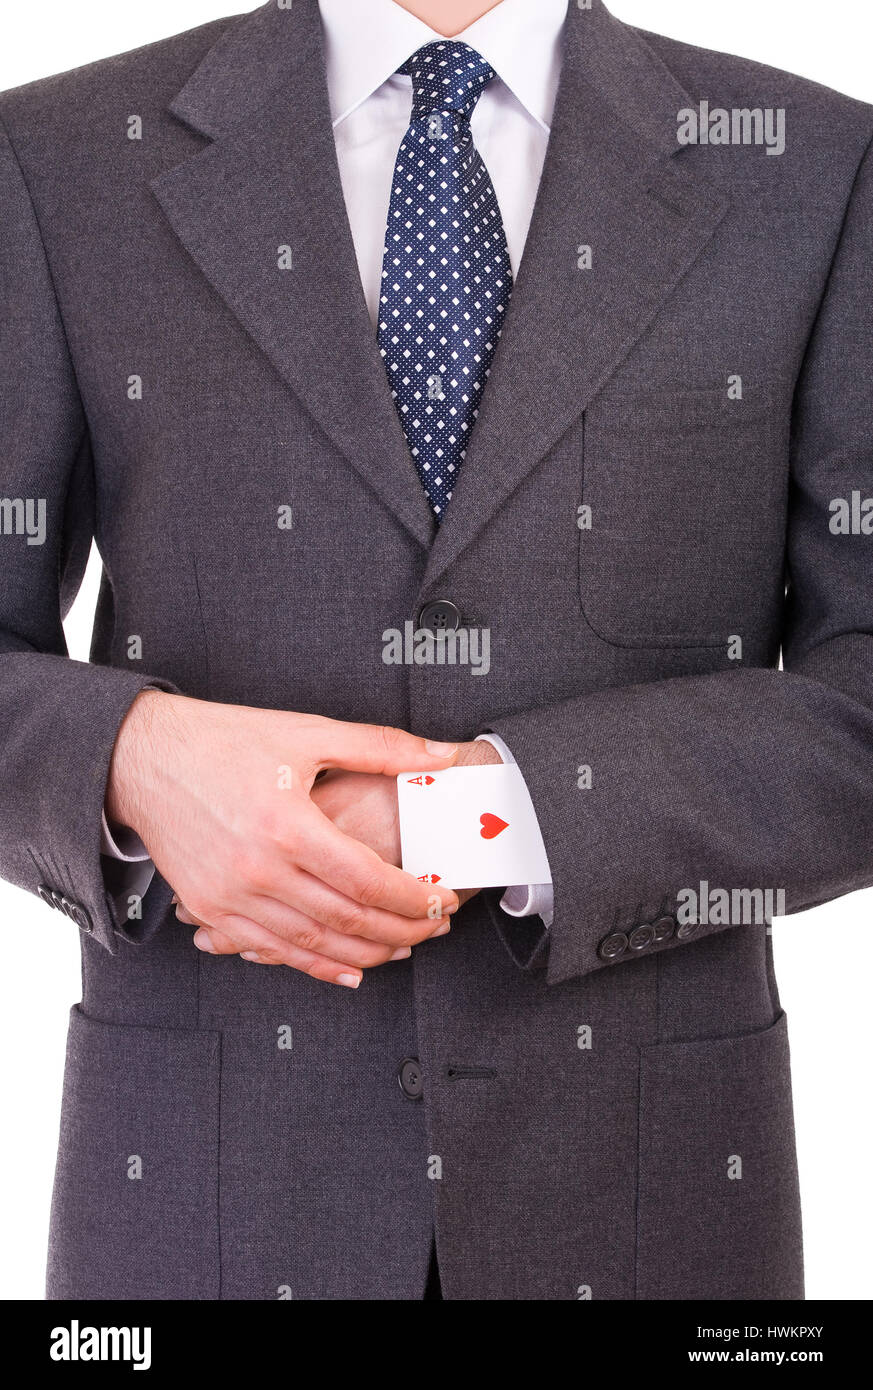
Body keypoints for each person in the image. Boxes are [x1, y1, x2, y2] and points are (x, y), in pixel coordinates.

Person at [1, 0, 872, 1301]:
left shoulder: (814, 164)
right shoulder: (57, 155)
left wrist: (480, 816)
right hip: (199, 1203)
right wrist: (130, 761)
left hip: (648, 1201)